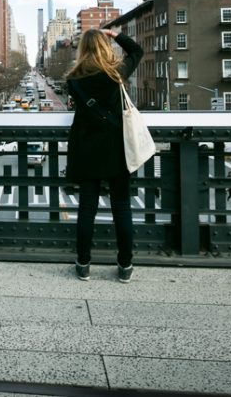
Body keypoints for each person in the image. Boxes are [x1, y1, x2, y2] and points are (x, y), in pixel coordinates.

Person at [65, 28, 144, 284]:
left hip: (87, 149)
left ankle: (84, 264)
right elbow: (137, 51)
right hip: (116, 148)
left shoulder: (73, 80)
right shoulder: (116, 74)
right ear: (104, 47)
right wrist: (116, 34)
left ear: (82, 50)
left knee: (87, 208)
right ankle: (125, 266)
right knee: (121, 207)